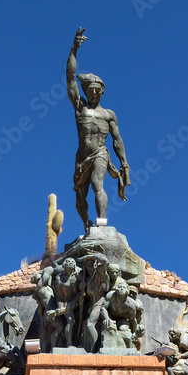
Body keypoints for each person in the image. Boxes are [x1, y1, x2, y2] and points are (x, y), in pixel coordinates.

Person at [67, 27, 130, 233]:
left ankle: (101, 223)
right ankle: (87, 225)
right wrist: (74, 49)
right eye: (90, 91)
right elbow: (70, 78)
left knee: (97, 184)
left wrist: (124, 163)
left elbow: (117, 139)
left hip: (100, 154)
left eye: (97, 91)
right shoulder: (80, 107)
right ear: (86, 91)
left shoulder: (109, 114)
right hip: (81, 158)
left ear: (102, 92)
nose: (93, 94)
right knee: (79, 199)